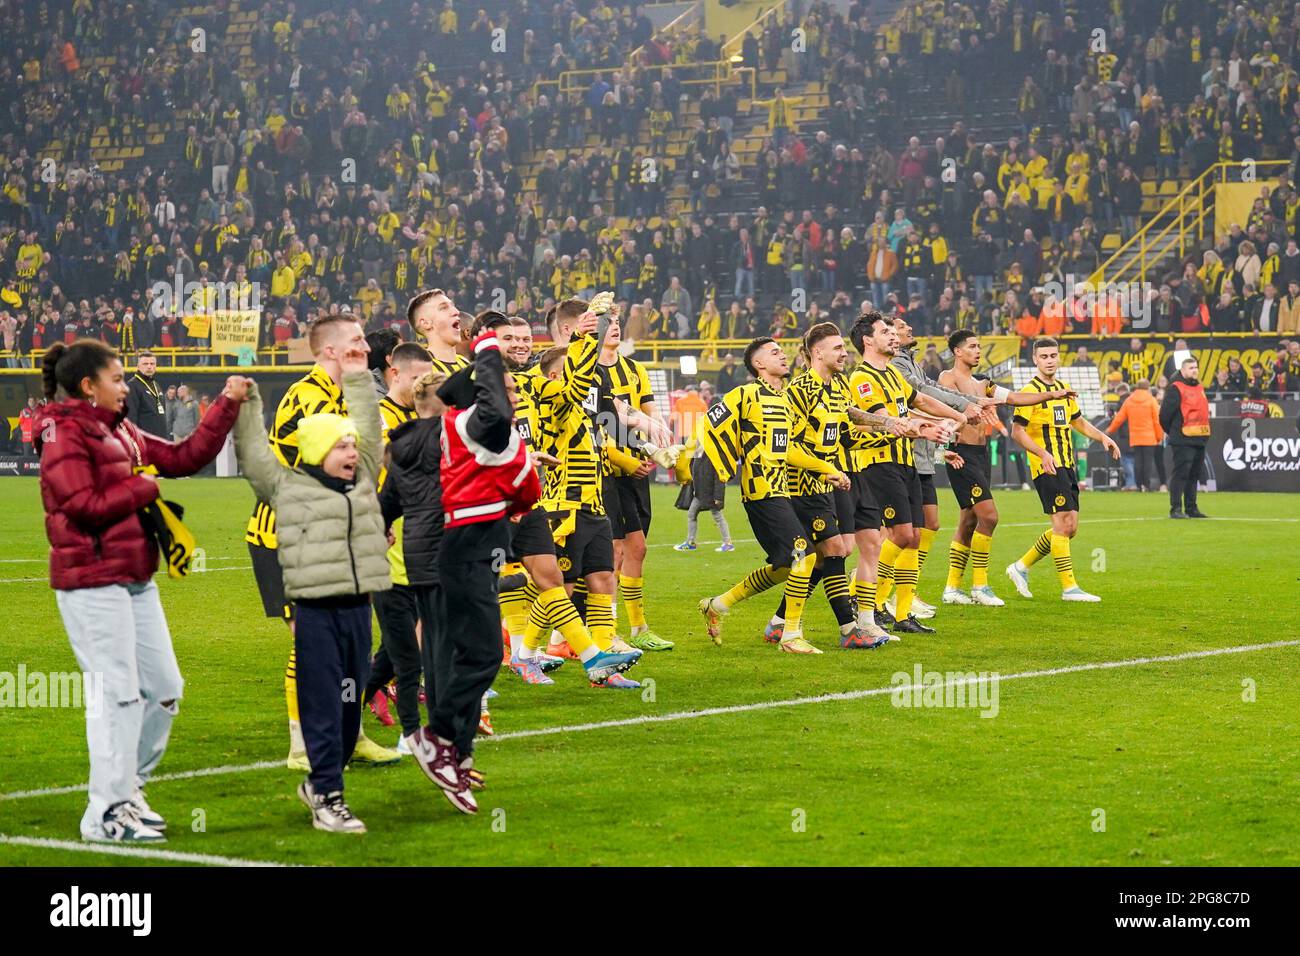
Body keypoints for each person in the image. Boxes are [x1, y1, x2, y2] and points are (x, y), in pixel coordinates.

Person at [37, 339, 245, 843]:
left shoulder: (120, 429)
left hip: (134, 576)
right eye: (117, 378)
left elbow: (182, 456)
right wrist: (144, 486)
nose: (125, 386)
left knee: (165, 689)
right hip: (91, 578)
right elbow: (83, 503)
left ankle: (127, 792)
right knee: (118, 696)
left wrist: (227, 404)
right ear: (89, 386)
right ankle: (104, 814)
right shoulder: (62, 432)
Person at [233, 346, 391, 833]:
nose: (353, 452)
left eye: (352, 446)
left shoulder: (360, 484)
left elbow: (372, 430)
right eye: (342, 446)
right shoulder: (290, 489)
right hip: (311, 601)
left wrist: (360, 376)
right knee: (320, 692)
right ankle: (321, 780)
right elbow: (256, 457)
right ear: (320, 452)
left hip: (356, 607)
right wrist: (247, 405)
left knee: (348, 697)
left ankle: (338, 756)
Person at [406, 317, 542, 815]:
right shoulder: (478, 426)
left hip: (441, 545)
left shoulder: (448, 430)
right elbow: (527, 489)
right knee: (482, 655)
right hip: (466, 546)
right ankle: (439, 740)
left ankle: (454, 759)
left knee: (448, 655)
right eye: (501, 386)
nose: (509, 392)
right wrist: (486, 344)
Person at [767, 323, 893, 649]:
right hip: (799, 486)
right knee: (834, 550)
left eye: (844, 347)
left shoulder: (838, 387)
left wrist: (889, 432)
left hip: (824, 484)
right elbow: (787, 444)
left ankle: (778, 622)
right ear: (817, 352)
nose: (844, 353)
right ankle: (849, 630)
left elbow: (845, 436)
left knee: (822, 558)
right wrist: (825, 469)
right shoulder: (798, 391)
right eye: (837, 348)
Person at [697, 337, 824, 653]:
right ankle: (790, 636)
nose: (784, 355)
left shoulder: (784, 401)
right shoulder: (745, 394)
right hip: (760, 492)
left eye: (783, 351)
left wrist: (825, 468)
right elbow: (708, 424)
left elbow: (789, 448)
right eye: (774, 352)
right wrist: (689, 458)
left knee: (784, 566)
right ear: (758, 364)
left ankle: (718, 605)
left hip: (782, 490)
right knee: (804, 555)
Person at [938, 329, 1078, 606]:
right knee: (989, 517)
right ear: (958, 351)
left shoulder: (983, 383)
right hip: (960, 454)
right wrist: (978, 405)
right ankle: (980, 586)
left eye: (980, 346)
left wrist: (1052, 395)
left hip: (980, 453)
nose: (978, 351)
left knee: (969, 520)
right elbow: (950, 408)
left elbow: (1013, 398)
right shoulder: (947, 378)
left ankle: (952, 588)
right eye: (973, 346)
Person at [848, 312, 966, 633]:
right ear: (868, 341)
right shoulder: (862, 378)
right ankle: (864, 599)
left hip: (905, 462)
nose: (892, 335)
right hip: (879, 463)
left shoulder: (891, 375)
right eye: (885, 331)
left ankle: (902, 615)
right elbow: (888, 420)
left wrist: (960, 412)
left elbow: (922, 400)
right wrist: (929, 429)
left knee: (913, 537)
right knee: (899, 534)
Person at [1005, 337, 1121, 603]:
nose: (1049, 360)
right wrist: (1043, 453)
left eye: (1053, 355)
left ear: (1059, 358)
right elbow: (1017, 432)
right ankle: (1069, 588)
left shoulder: (1063, 389)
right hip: (1046, 465)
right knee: (1062, 524)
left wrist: (1103, 437)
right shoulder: (1030, 392)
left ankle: (1021, 567)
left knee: (1070, 528)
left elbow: (1078, 422)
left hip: (1066, 464)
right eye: (1044, 356)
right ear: (1035, 359)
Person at [363, 342, 433, 750]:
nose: (423, 384)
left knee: (398, 648)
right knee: (408, 652)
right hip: (389, 547)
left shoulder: (420, 418)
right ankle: (413, 734)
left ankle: (354, 696)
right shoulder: (378, 418)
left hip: (422, 547)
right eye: (416, 377)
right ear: (394, 375)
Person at [1160, 355, 1211, 519]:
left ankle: (1191, 508)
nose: (1194, 370)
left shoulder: (1199, 387)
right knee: (1181, 474)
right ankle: (1175, 508)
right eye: (1191, 368)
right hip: (1182, 438)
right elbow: (1164, 415)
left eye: (1196, 367)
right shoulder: (1175, 388)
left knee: (1194, 475)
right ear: (1182, 370)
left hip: (1199, 437)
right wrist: (1175, 432)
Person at [1106, 378, 1164, 492]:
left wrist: (1109, 430)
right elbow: (1157, 420)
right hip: (1149, 437)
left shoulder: (1129, 400)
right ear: (1147, 388)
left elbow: (1119, 418)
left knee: (1138, 462)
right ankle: (1146, 485)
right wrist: (1159, 436)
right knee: (1147, 462)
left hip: (1135, 437)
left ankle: (1138, 485)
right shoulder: (1152, 400)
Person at [124, 351, 169, 438]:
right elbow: (130, 417)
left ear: (156, 366)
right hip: (145, 440)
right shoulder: (132, 385)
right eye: (145, 364)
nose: (149, 366)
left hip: (160, 439)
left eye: (152, 364)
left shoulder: (156, 385)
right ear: (138, 366)